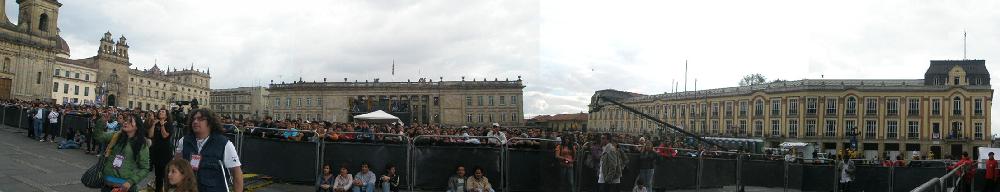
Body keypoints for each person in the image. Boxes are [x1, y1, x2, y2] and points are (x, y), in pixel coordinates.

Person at [174, 109, 244, 192]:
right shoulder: (184, 141)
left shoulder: (224, 143)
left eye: (200, 119)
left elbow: (236, 173)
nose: (195, 122)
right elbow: (177, 166)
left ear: (210, 123)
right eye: (193, 119)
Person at [92, 113, 150, 192]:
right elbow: (98, 136)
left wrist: (130, 182)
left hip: (124, 188)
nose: (126, 122)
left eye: (130, 121)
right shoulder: (116, 136)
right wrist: (102, 121)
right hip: (107, 186)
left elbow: (145, 168)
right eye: (125, 120)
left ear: (137, 127)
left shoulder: (141, 144)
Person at [149, 108, 175, 192]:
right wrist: (153, 125)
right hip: (157, 152)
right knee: (158, 176)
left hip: (165, 153)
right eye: (160, 111)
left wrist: (162, 125)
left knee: (166, 176)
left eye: (163, 112)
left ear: (166, 115)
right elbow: (150, 135)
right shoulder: (156, 123)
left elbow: (165, 136)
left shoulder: (169, 124)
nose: (160, 112)